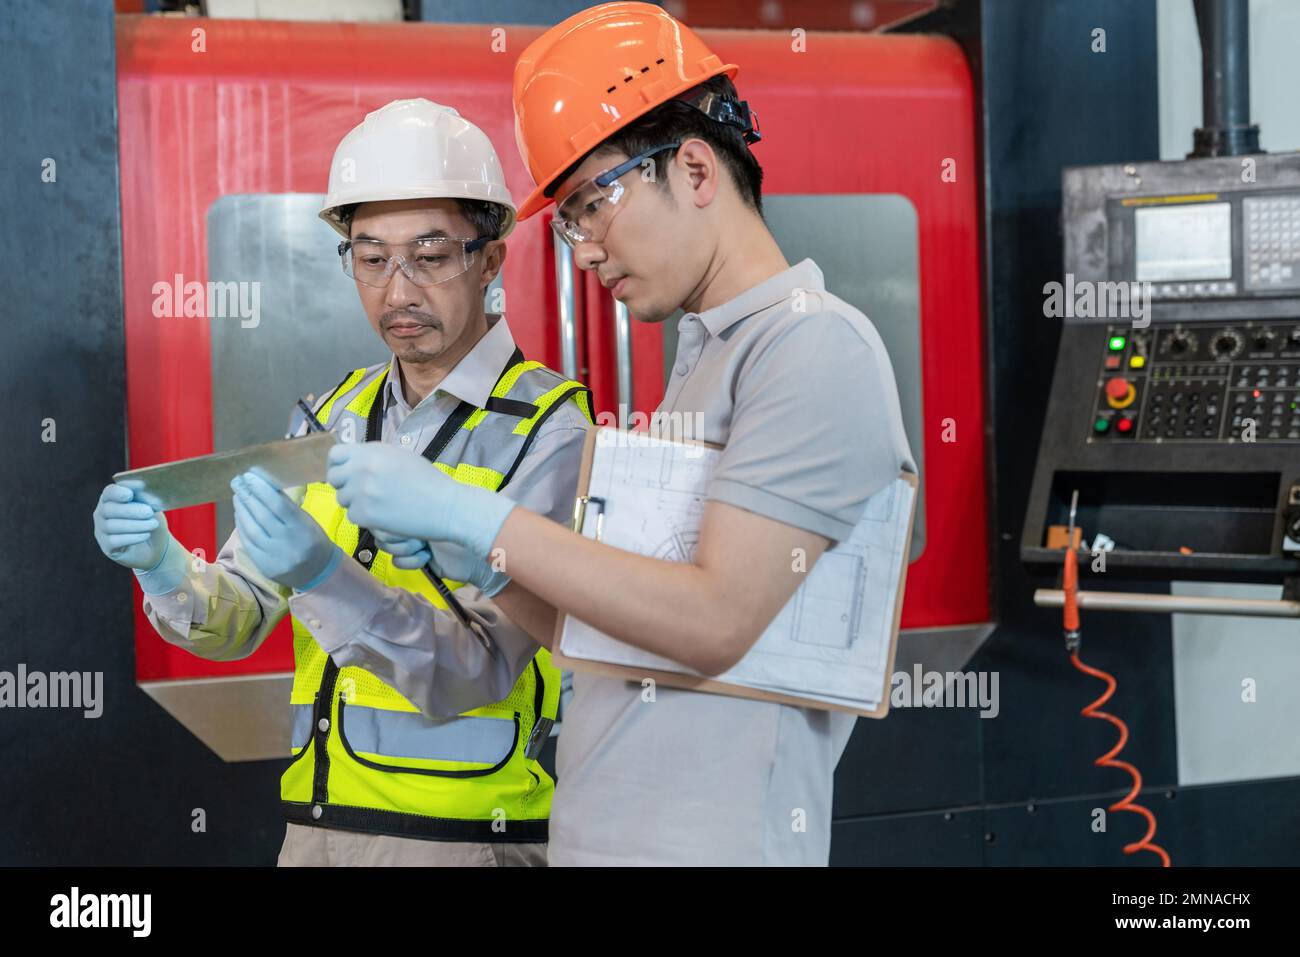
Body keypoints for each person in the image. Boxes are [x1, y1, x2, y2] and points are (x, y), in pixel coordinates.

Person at [328, 3, 917, 866]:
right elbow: (618, 629)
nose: (584, 250)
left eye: (592, 204)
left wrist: (474, 516)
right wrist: (489, 565)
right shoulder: (705, 358)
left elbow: (715, 620)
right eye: (569, 220)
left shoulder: (813, 345)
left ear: (694, 167)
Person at [91, 99, 593, 866]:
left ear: (490, 260)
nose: (398, 292)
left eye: (430, 256)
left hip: (465, 841)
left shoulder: (550, 430)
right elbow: (240, 617)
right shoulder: (328, 417)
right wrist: (163, 566)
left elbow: (480, 667)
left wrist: (326, 575)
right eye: (371, 257)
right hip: (314, 834)